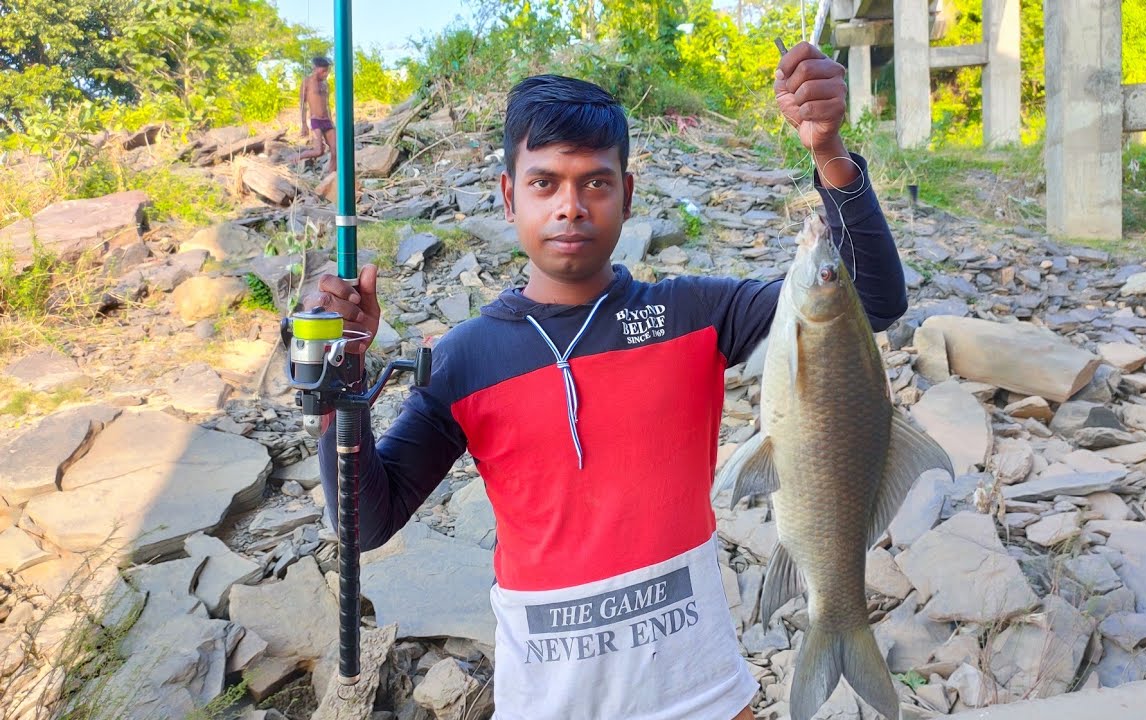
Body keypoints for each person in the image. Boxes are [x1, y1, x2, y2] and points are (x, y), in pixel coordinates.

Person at [311, 42, 907, 720]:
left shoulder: (694, 313)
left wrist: (828, 152)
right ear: (508, 197)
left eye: (595, 182)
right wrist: (341, 399)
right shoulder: (464, 359)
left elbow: (871, 303)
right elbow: (367, 523)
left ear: (627, 194)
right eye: (545, 183)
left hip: (705, 696)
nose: (571, 205)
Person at [295, 56, 337, 173]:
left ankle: (330, 176)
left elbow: (327, 105)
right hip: (315, 120)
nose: (326, 74)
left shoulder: (325, 85)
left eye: (327, 71)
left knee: (336, 150)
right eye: (323, 71)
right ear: (316, 68)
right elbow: (303, 105)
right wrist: (303, 125)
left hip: (326, 120)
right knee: (319, 151)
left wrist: (331, 122)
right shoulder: (307, 82)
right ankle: (298, 156)